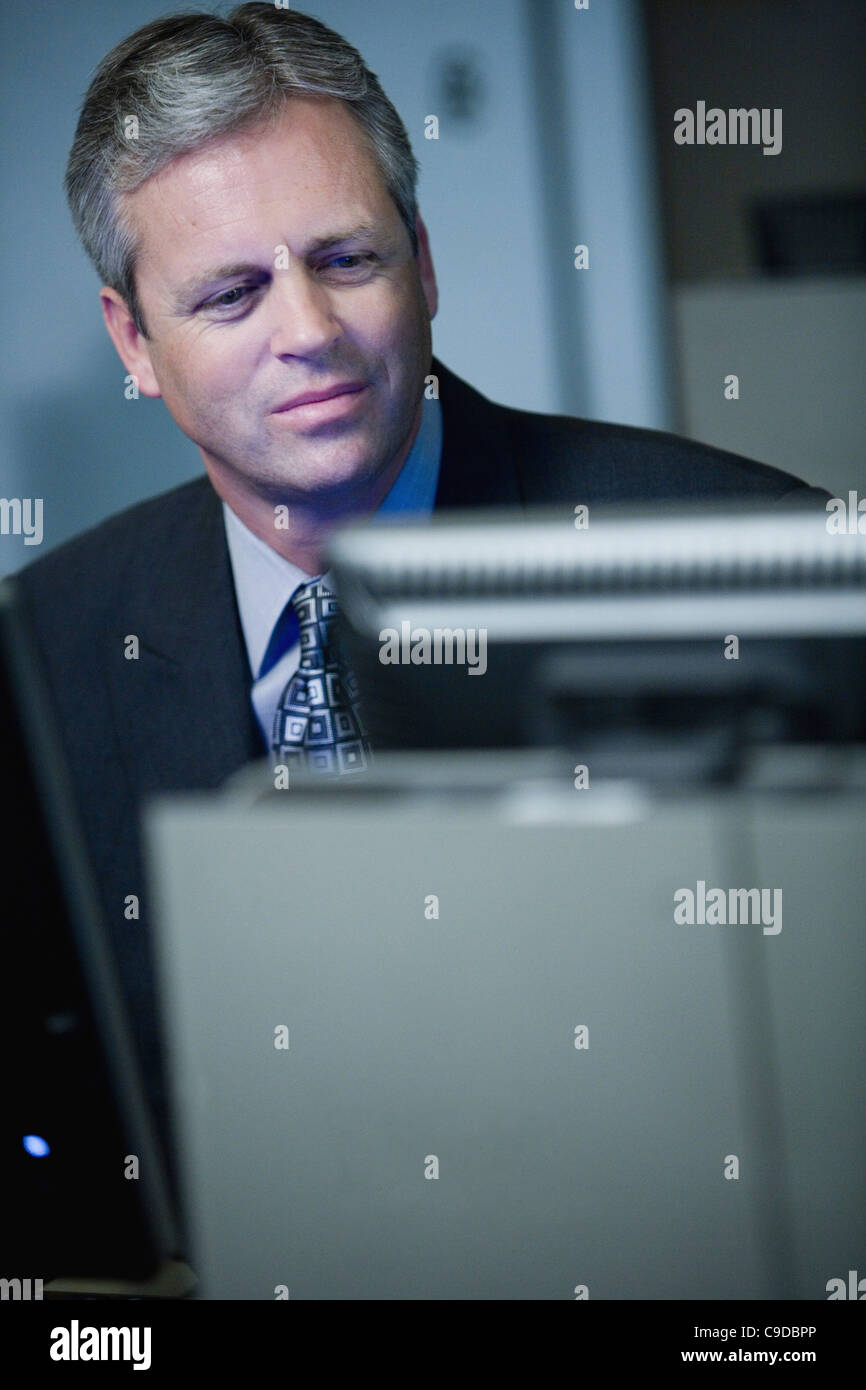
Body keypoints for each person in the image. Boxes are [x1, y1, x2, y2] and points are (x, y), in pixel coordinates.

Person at [14, 4, 824, 1192]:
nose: (308, 331)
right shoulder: (44, 648)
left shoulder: (751, 556)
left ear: (424, 260)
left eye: (345, 260)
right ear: (134, 342)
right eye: (231, 294)